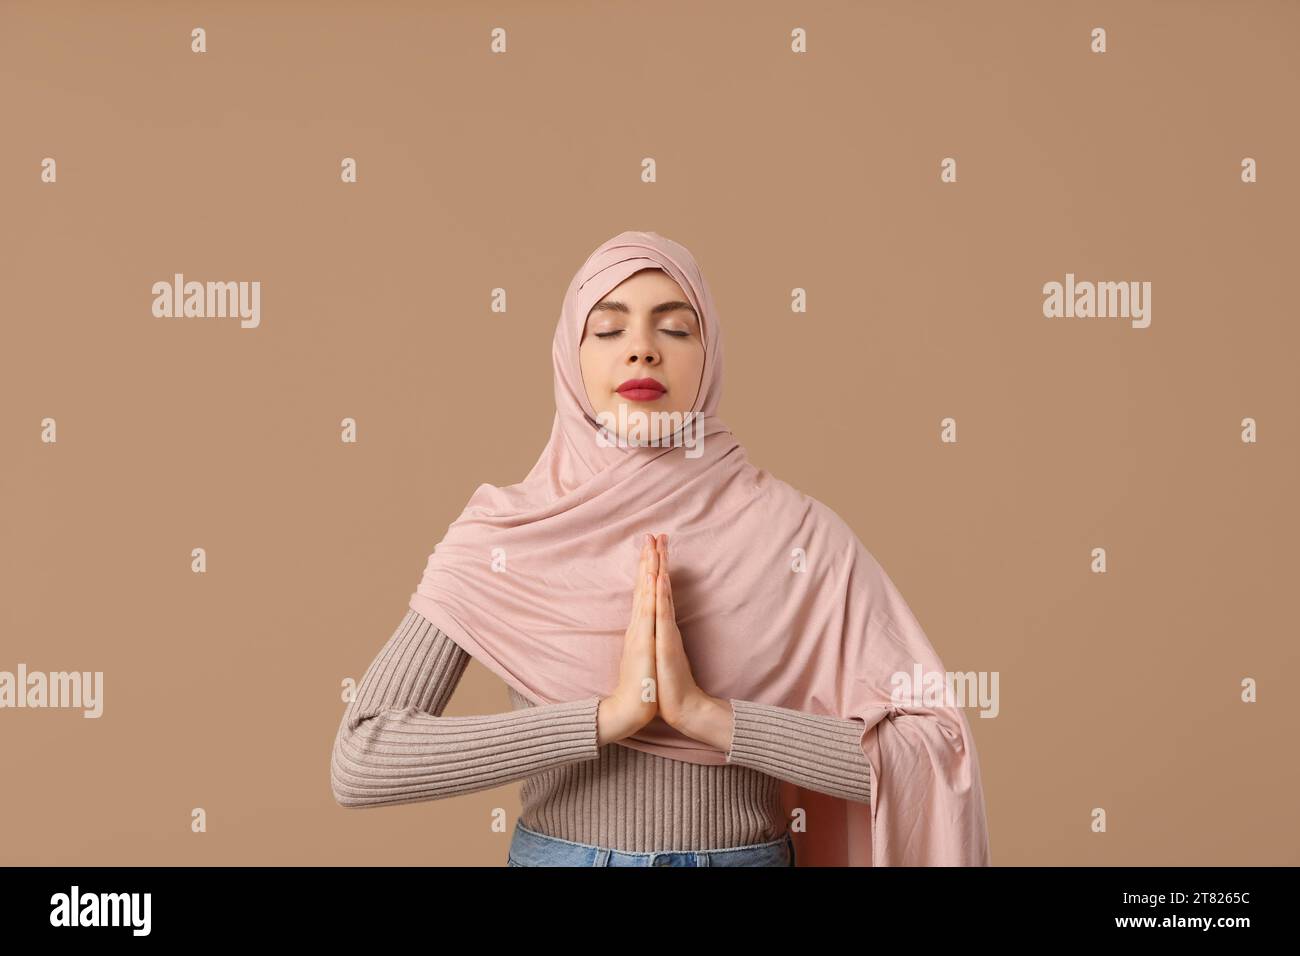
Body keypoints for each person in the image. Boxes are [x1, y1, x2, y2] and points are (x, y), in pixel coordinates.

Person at [330, 231, 990, 867]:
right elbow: (364, 758)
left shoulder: (799, 536)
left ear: (710, 357)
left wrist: (710, 718)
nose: (642, 351)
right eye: (610, 329)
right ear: (570, 357)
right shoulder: (507, 533)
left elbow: (934, 748)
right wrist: (606, 719)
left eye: (675, 329)